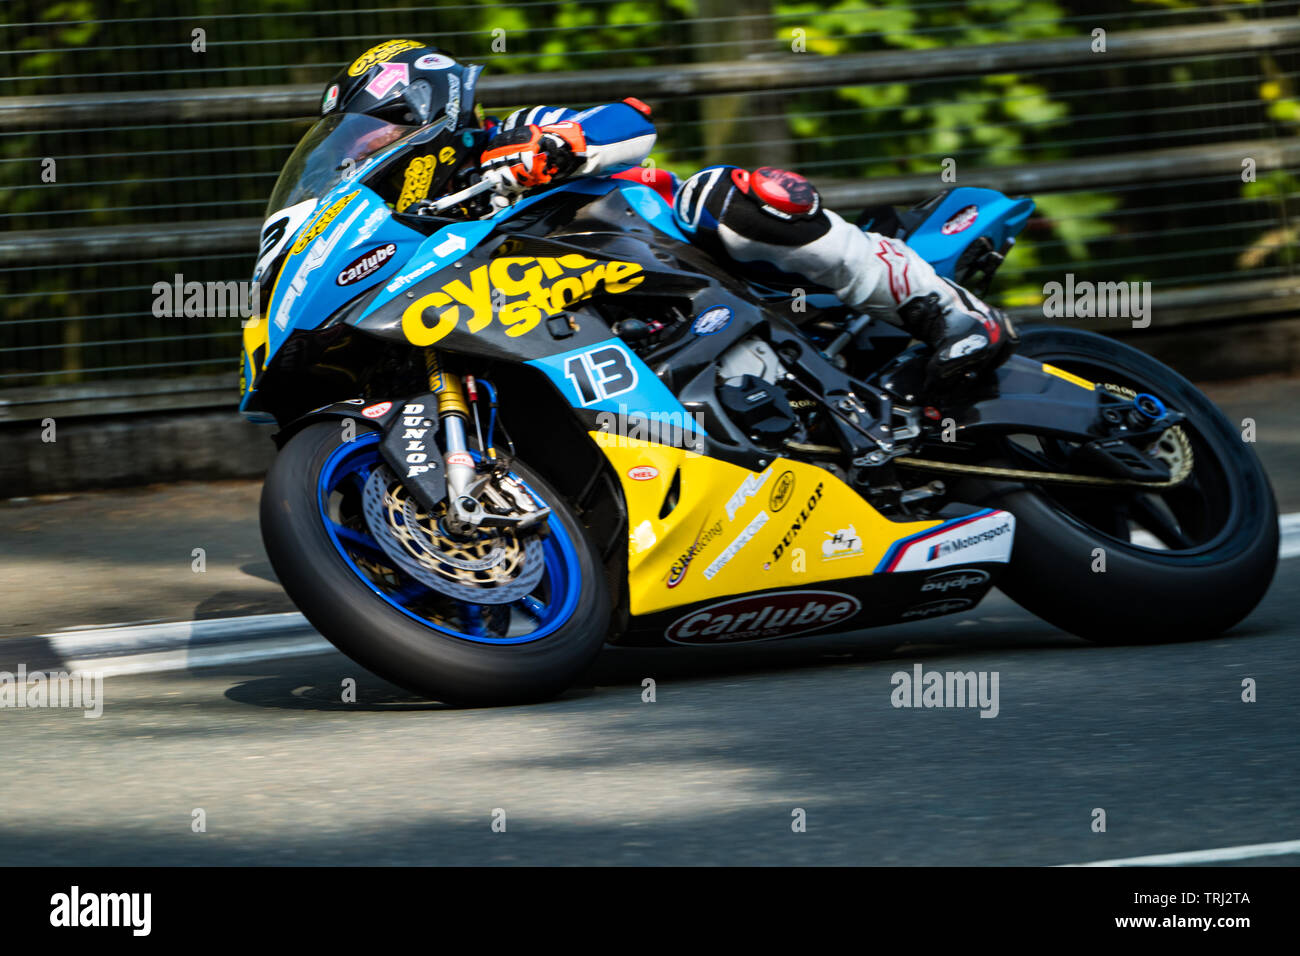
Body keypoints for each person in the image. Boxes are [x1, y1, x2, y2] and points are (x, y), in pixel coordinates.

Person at [325, 41, 1018, 388]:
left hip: (672, 255)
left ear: (418, 109)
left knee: (726, 196)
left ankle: (950, 313)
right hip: (583, 329)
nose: (365, 151)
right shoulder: (410, 224)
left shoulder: (506, 134)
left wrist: (556, 147)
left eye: (372, 133)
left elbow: (630, 122)